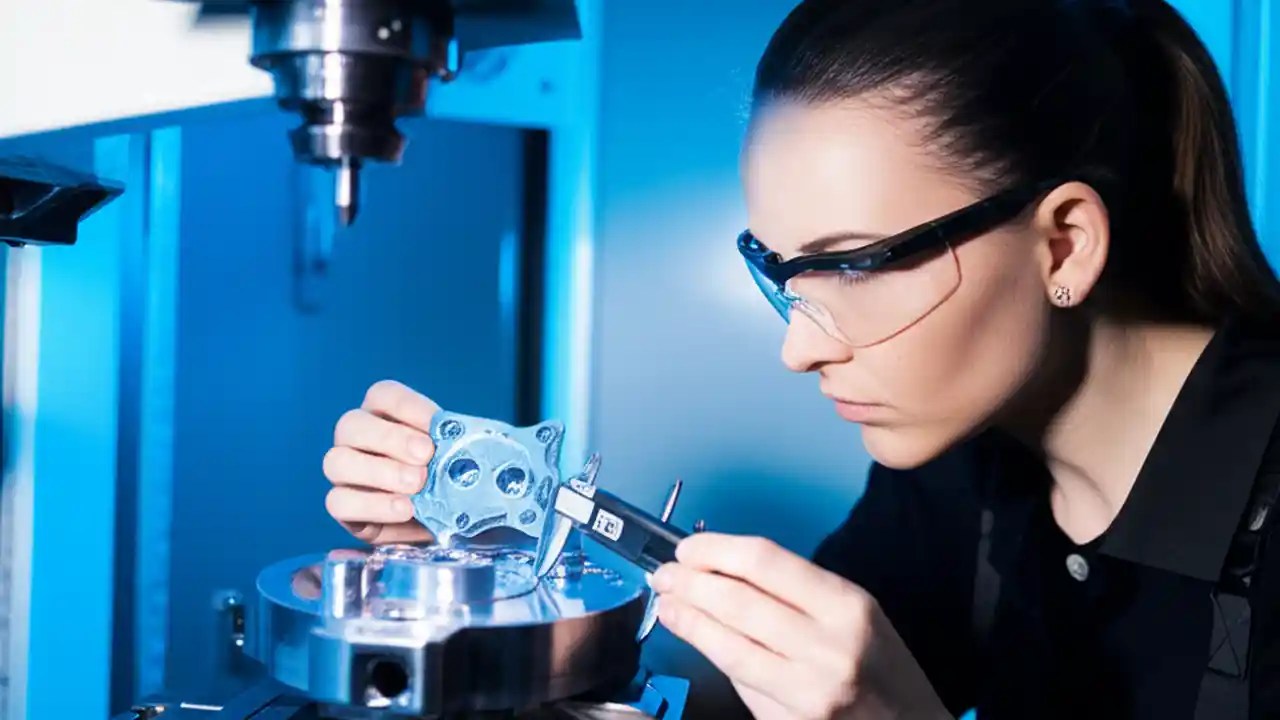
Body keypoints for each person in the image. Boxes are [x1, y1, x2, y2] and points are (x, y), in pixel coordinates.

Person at [321, 0, 1280, 717]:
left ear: (1063, 244)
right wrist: (485, 579)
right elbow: (772, 700)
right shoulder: (958, 472)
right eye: (779, 273)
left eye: (855, 265)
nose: (796, 348)